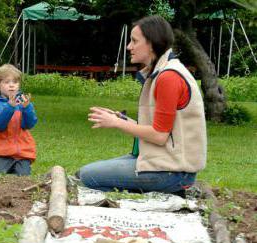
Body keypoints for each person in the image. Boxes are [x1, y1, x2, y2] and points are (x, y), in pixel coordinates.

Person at [79, 15, 206, 194]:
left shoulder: (168, 77)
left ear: (152, 43)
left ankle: (160, 195)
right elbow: (162, 130)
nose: (129, 46)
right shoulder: (163, 71)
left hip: (173, 172)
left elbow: (160, 136)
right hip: (163, 163)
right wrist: (122, 119)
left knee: (87, 176)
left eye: (134, 41)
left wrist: (116, 123)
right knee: (82, 174)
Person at [0, 64, 37, 176]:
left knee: (23, 178)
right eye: (7, 82)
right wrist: (10, 107)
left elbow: (29, 124)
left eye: (15, 82)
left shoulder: (23, 103)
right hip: (0, 153)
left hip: (22, 153)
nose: (11, 85)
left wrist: (27, 108)